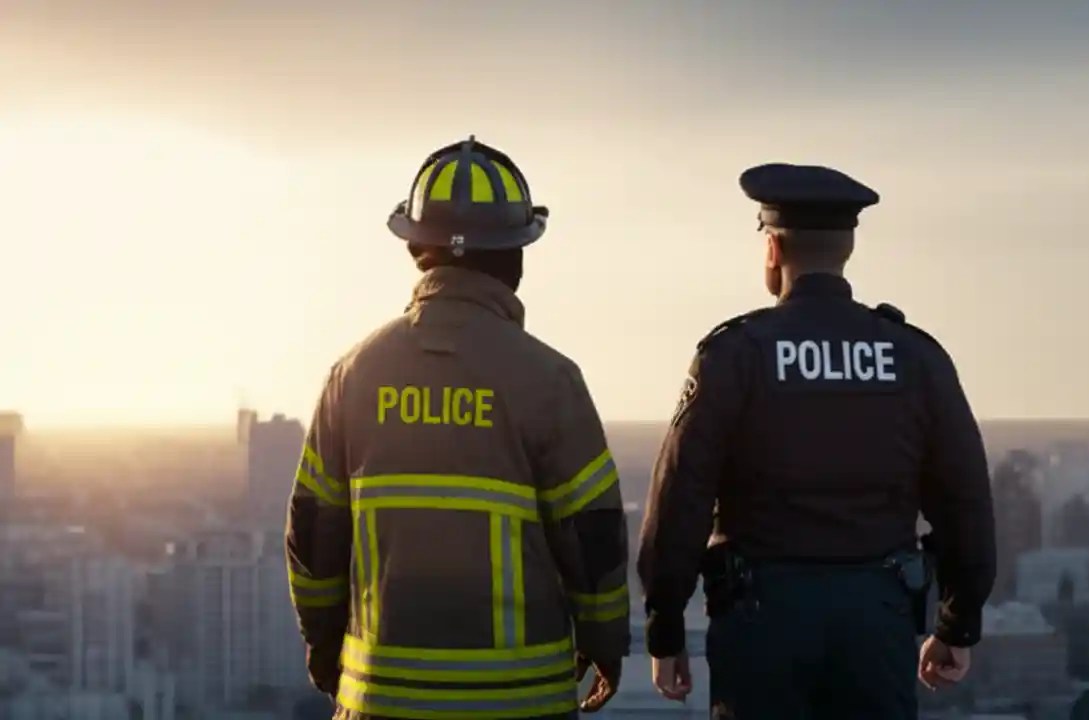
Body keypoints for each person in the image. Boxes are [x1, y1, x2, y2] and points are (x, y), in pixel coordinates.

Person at [285, 136, 631, 720]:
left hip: (380, 699)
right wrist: (604, 641)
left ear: (415, 249)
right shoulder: (550, 380)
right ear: (517, 257)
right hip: (522, 703)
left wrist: (322, 643)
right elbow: (593, 535)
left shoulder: (354, 374)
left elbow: (313, 532)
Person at [636, 162, 997, 719]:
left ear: (773, 249)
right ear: (847, 249)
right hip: (876, 621)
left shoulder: (736, 354)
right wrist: (957, 622)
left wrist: (664, 627)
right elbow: (964, 498)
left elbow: (683, 494)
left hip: (762, 622)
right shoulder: (914, 356)